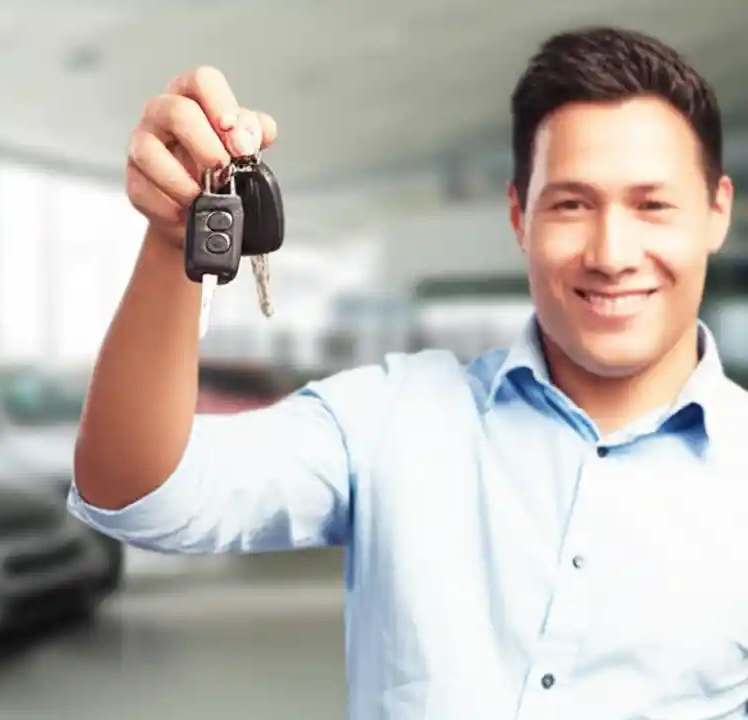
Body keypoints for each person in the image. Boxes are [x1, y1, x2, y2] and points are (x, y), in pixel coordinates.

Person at [67, 26, 746, 719]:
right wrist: (174, 240)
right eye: (572, 204)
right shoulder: (390, 416)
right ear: (519, 215)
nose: (611, 252)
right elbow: (141, 494)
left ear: (716, 212)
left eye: (652, 205)